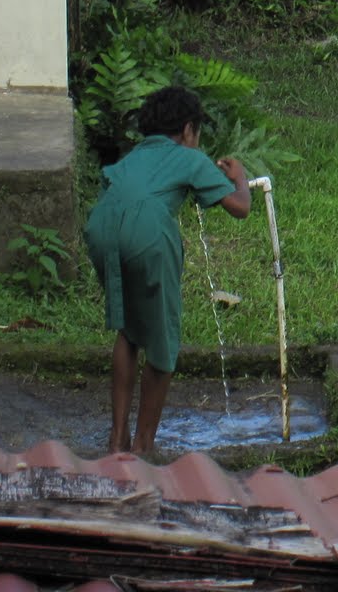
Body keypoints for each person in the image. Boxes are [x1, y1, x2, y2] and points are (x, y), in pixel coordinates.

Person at [84, 87, 250, 455]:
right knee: (162, 342)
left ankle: (117, 438)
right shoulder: (189, 157)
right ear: (188, 129)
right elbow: (240, 207)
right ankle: (143, 447)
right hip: (146, 233)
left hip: (101, 227)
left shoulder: (133, 156)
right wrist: (240, 177)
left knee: (129, 330)